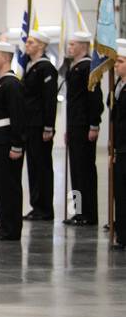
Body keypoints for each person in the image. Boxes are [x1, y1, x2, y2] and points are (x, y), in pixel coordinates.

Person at [0, 39, 26, 242]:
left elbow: (18, 117)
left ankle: (12, 228)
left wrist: (17, 144)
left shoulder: (12, 83)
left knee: (9, 185)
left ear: (6, 58)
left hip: (7, 141)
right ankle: (4, 224)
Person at [62, 32, 101, 226]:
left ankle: (89, 214)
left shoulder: (87, 67)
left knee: (85, 171)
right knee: (75, 171)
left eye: (73, 44)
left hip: (85, 126)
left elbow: (94, 98)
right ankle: (77, 212)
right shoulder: (74, 67)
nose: (69, 47)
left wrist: (94, 124)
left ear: (84, 47)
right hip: (74, 126)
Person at [21, 29, 58, 221]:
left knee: (42, 166)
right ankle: (36, 206)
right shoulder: (30, 66)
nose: (27, 45)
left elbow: (49, 100)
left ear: (41, 46)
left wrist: (48, 126)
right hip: (29, 124)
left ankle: (45, 208)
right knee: (33, 166)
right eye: (27, 42)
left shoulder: (46, 68)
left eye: (31, 43)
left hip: (40, 125)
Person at [111, 42, 126, 251]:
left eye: (121, 62)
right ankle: (121, 233)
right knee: (119, 194)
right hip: (119, 148)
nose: (116, 66)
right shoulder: (117, 87)